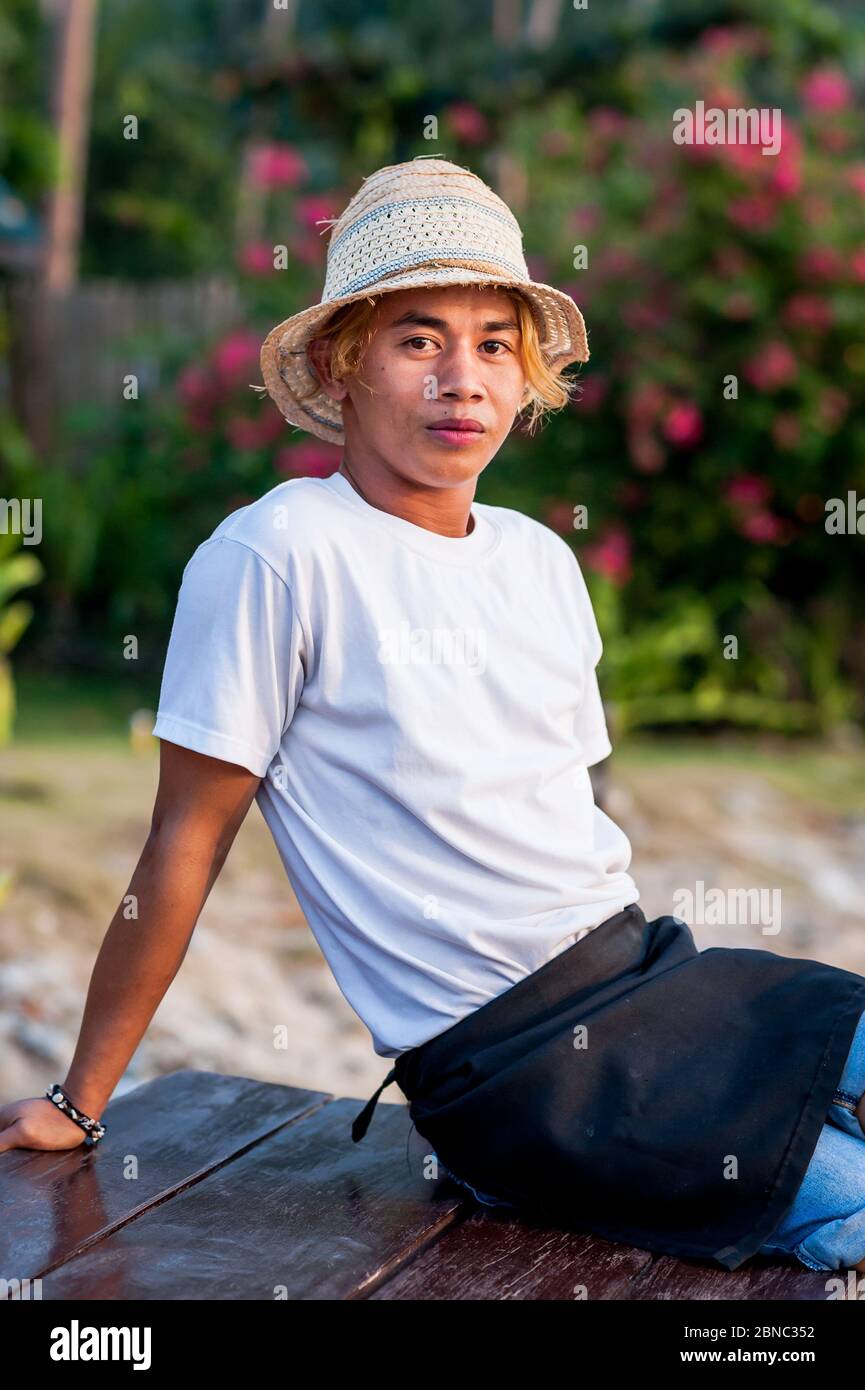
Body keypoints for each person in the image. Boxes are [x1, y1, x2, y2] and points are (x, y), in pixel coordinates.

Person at [3, 157, 865, 1277]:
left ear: (526, 379)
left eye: (494, 343)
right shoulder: (280, 555)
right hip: (508, 1071)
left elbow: (563, 816)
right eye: (418, 339)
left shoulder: (539, 558)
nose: (462, 378)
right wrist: (82, 1096)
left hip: (651, 978)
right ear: (340, 364)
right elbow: (185, 840)